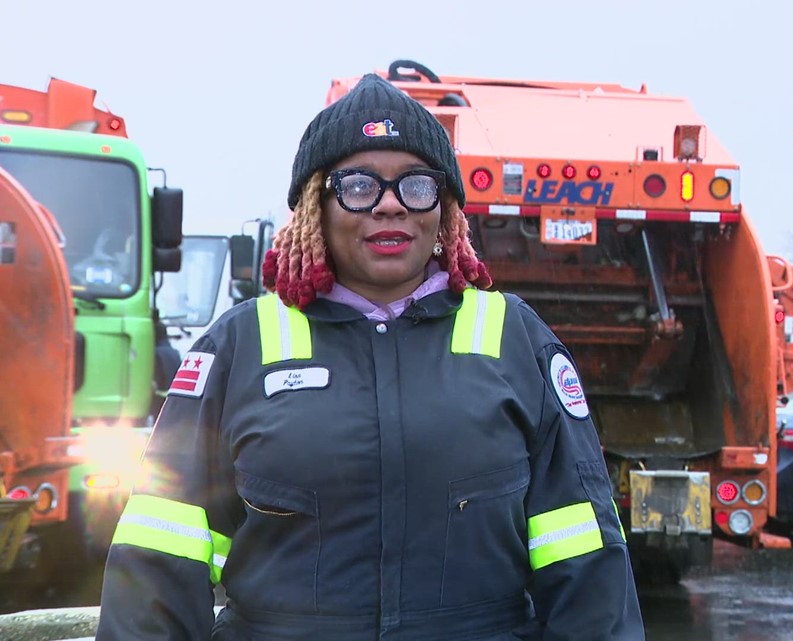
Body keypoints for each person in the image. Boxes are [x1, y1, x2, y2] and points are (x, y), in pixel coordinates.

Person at [96, 74, 644, 641]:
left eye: (416, 185)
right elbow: (158, 560)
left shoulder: (516, 341)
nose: (389, 205)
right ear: (316, 206)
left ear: (445, 208)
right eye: (358, 186)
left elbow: (586, 558)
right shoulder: (239, 348)